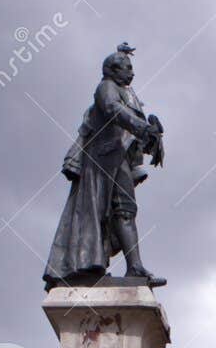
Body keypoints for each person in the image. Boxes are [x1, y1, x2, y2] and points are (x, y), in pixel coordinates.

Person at [44, 43, 165, 287]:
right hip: (102, 162)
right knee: (105, 213)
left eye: (132, 68)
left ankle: (135, 267)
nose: (132, 73)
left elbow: (128, 129)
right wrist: (142, 127)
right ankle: (94, 266)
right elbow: (113, 110)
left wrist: (151, 139)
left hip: (118, 160)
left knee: (125, 210)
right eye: (127, 68)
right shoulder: (107, 88)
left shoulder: (128, 94)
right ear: (112, 69)